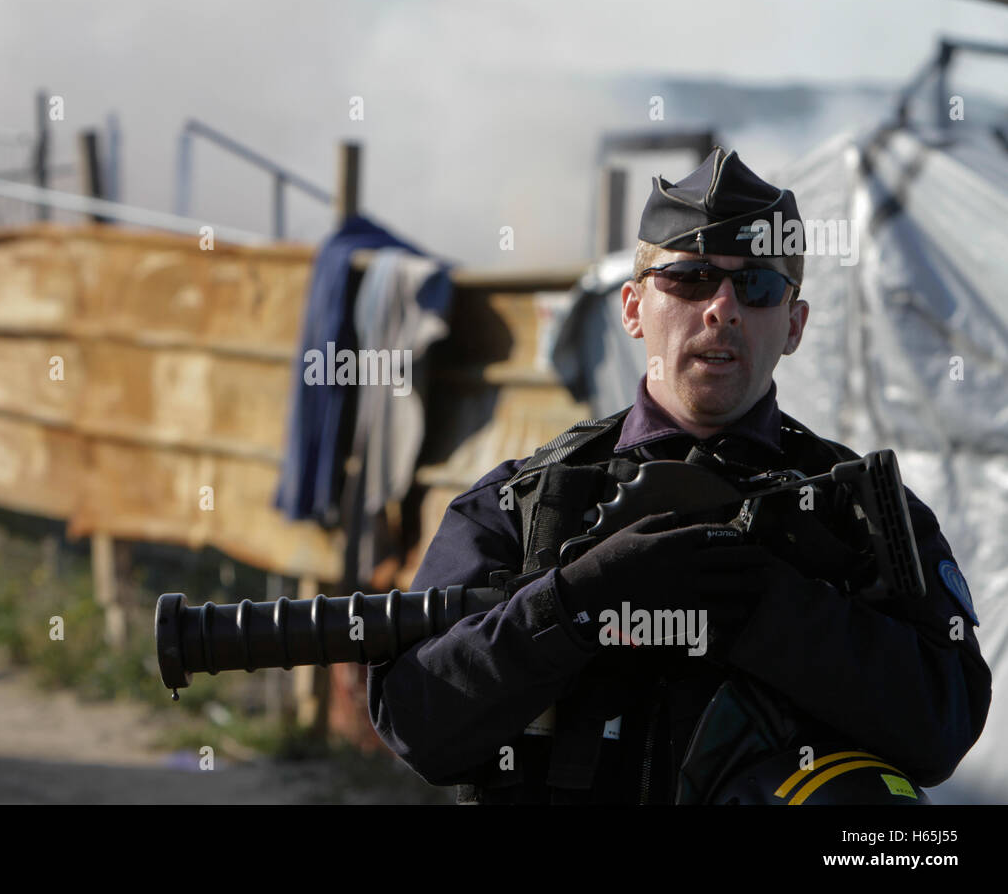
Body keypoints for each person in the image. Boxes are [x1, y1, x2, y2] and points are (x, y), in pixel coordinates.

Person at [367, 147, 992, 804]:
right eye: (689, 278)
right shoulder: (521, 505)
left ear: (795, 325)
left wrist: (768, 608)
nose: (721, 307)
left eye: (756, 286)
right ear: (634, 308)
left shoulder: (857, 511)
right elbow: (419, 723)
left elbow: (942, 728)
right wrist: (574, 601)